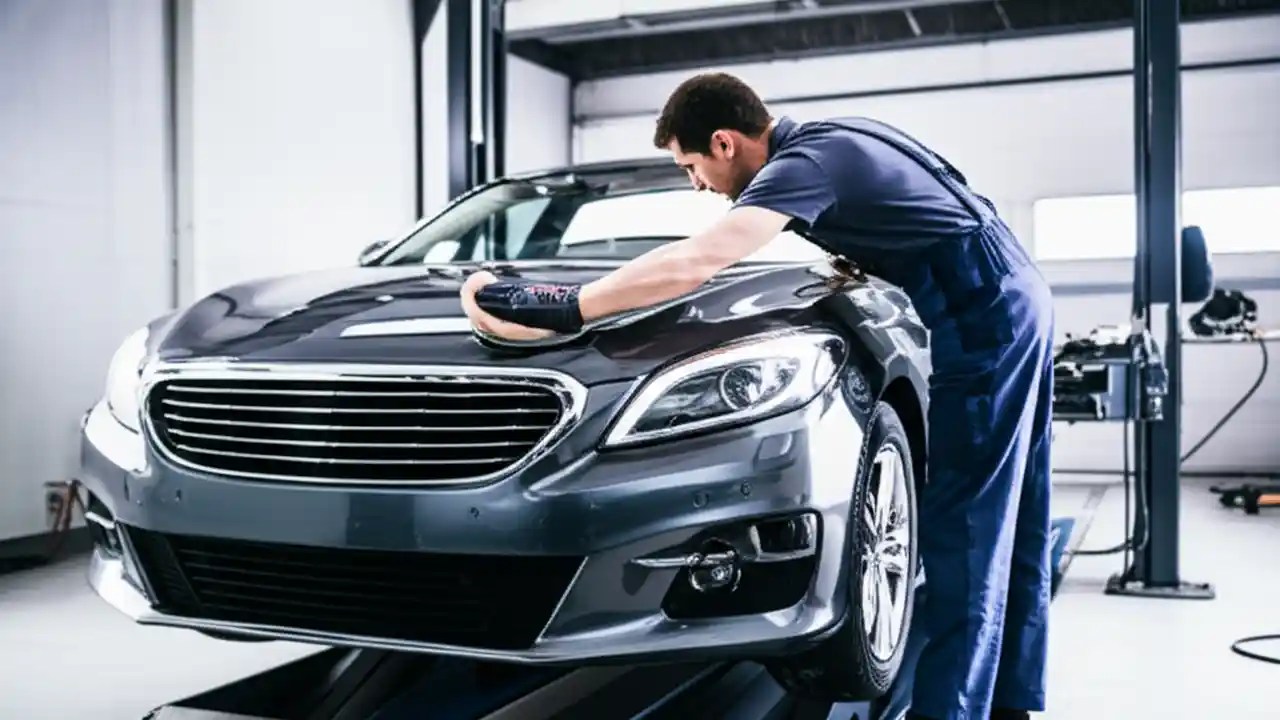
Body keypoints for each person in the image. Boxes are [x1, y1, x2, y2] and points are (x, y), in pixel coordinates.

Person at [460, 72, 1054, 720]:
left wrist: (564, 305)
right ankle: (1013, 704)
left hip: (983, 314)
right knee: (1015, 521)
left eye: (690, 166)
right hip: (1013, 291)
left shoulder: (807, 162)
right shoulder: (835, 140)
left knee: (964, 530)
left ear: (723, 142)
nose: (696, 183)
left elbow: (695, 262)